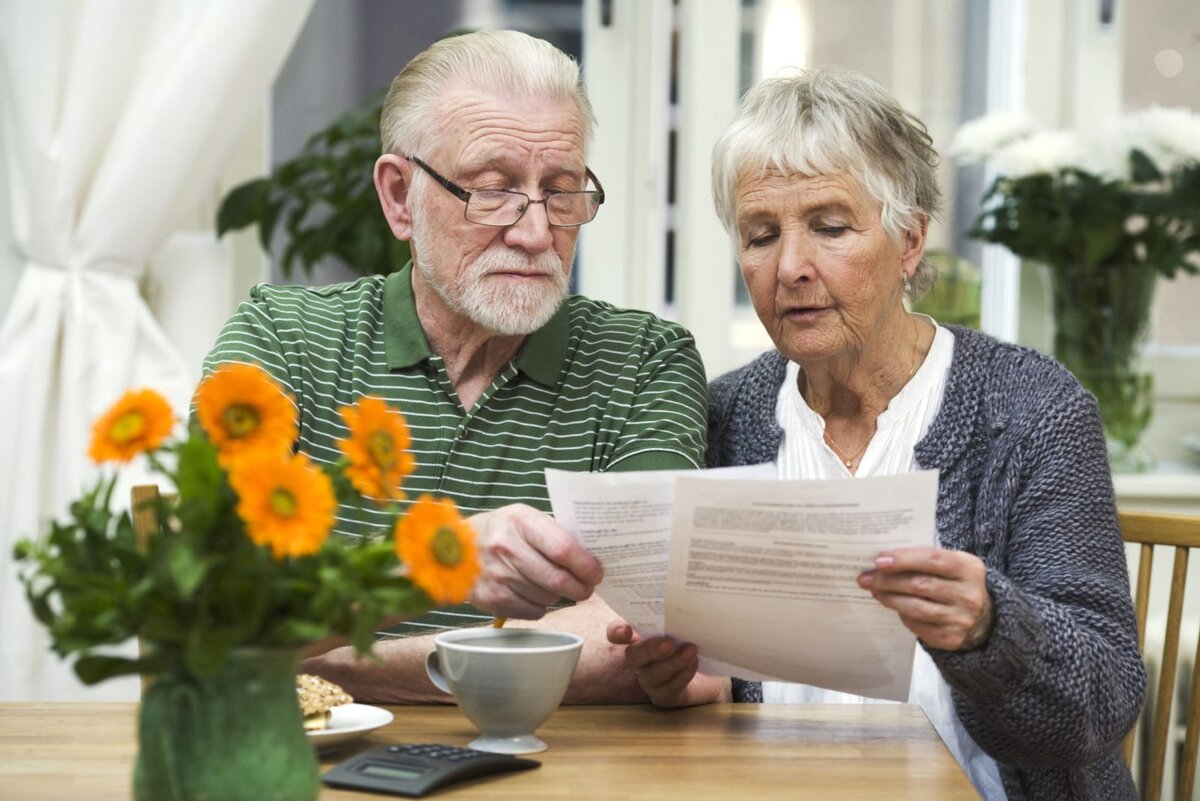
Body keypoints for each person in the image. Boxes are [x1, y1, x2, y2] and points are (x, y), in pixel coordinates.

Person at [608, 66, 1144, 800]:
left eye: (829, 227)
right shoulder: (722, 414)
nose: (790, 267)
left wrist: (991, 627)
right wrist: (676, 680)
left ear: (910, 241)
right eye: (761, 235)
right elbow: (717, 688)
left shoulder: (1032, 410)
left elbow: (1105, 699)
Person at [201, 30, 708, 704]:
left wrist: (322, 663)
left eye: (561, 192)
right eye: (493, 190)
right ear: (397, 197)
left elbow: (639, 642)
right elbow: (211, 610)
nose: (535, 233)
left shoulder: (644, 359)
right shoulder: (282, 338)